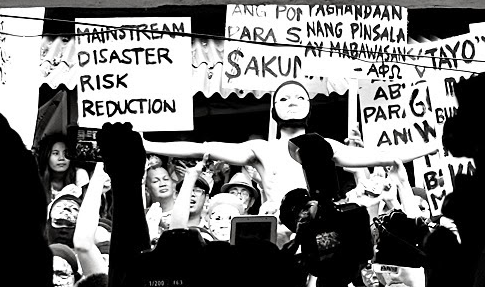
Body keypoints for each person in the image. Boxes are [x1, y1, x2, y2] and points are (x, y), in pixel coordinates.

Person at [142, 80, 439, 212]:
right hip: (277, 231)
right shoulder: (261, 149)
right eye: (283, 99)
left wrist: (437, 143)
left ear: (310, 107)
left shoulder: (326, 146)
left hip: (317, 228)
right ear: (274, 111)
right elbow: (201, 147)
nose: (292, 102)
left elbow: (383, 155)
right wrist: (147, 144)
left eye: (299, 97)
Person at [36, 131, 88, 202]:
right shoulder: (38, 179)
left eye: (65, 153)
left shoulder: (79, 175)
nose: (61, 158)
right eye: (55, 153)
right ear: (46, 156)